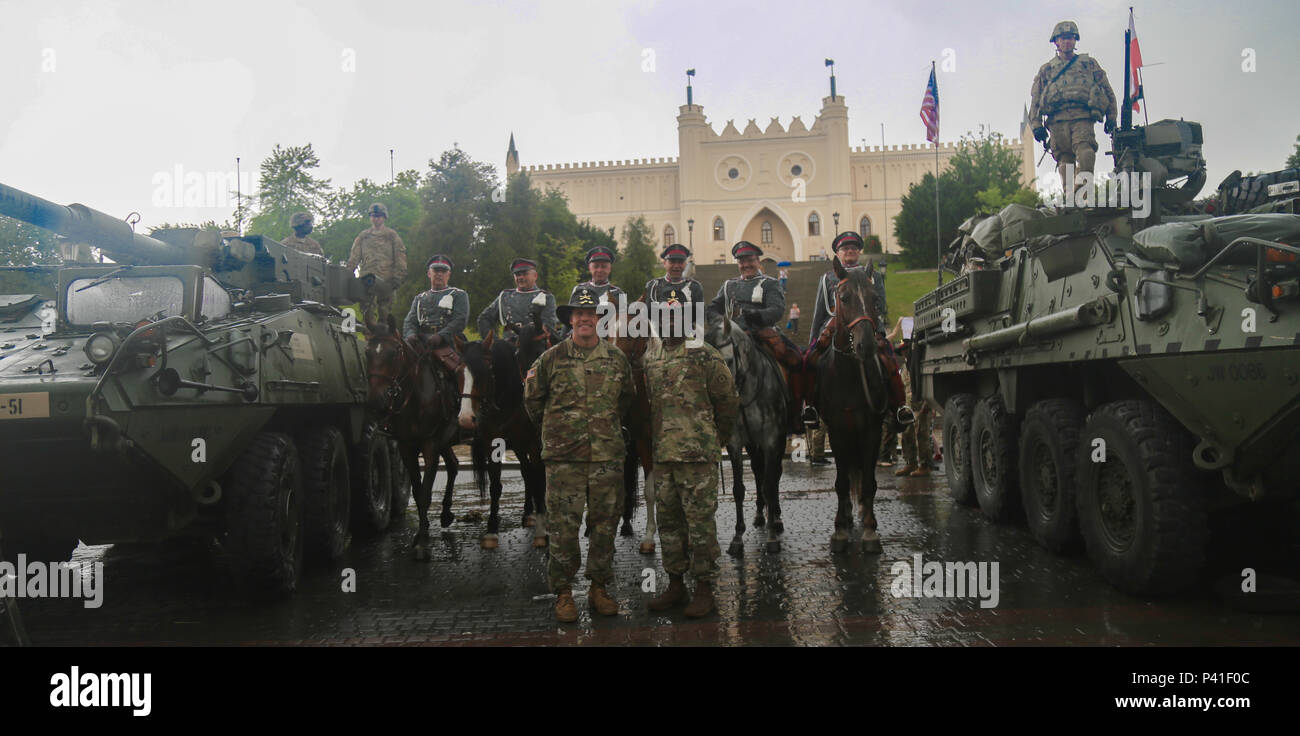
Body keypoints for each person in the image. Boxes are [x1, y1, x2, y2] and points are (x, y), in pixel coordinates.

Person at [523, 286, 634, 622]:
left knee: (604, 526)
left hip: (606, 458)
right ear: (570, 320)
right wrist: (557, 431)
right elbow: (532, 401)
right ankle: (564, 593)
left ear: (599, 319)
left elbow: (626, 399)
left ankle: (599, 588)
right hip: (564, 460)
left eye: (591, 314)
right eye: (579, 315)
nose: (585, 319)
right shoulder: (551, 358)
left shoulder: (616, 358)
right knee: (563, 529)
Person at [644, 303, 739, 617]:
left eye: (677, 316)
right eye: (664, 316)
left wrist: (714, 439)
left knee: (700, 525)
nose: (670, 321)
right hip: (663, 456)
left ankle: (704, 588)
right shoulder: (651, 356)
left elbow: (727, 401)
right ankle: (675, 584)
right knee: (669, 524)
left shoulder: (705, 354)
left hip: (697, 455)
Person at [805, 231, 909, 430]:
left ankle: (899, 407)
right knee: (811, 359)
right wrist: (813, 341)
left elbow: (882, 306)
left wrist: (873, 325)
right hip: (834, 325)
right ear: (838, 252)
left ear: (859, 251)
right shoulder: (827, 278)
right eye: (845, 248)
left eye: (853, 248)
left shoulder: (873, 275)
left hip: (867, 323)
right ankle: (811, 406)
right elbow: (819, 311)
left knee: (888, 358)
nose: (850, 251)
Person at [706, 241, 806, 433]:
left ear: (758, 261)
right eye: (742, 261)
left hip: (762, 334)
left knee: (795, 359)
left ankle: (796, 412)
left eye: (750, 260)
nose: (746, 265)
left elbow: (777, 310)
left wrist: (751, 316)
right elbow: (712, 309)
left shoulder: (770, 283)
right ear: (738, 264)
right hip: (732, 335)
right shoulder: (728, 285)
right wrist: (724, 323)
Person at [1028, 20, 1119, 190]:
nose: (1067, 41)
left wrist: (1111, 116)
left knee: (1086, 153)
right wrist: (1036, 125)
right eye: (1063, 38)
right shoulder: (1047, 70)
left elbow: (1107, 90)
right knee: (1065, 160)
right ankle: (1071, 198)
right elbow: (1036, 99)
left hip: (1082, 118)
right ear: (1056, 41)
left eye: (1070, 38)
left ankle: (1082, 194)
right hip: (1057, 121)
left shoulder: (1089, 64)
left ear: (1075, 40)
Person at [403, 254, 469, 382]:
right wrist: (410, 334)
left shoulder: (458, 295)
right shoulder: (419, 298)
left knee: (461, 375)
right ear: (429, 273)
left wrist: (441, 336)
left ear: (448, 275)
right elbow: (410, 321)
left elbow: (460, 320)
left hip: (448, 344)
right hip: (422, 344)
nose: (439, 274)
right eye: (436, 271)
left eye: (443, 271)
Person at [347, 203, 408, 325]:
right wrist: (347, 274)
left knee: (384, 316)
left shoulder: (391, 235)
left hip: (387, 281)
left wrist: (398, 277)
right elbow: (354, 257)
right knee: (367, 317)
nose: (376, 219)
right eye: (374, 216)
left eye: (379, 216)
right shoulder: (363, 236)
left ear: (384, 217)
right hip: (367, 280)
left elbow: (400, 256)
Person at [476, 257, 560, 340]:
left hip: (535, 344)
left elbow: (548, 326)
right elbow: (484, 319)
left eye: (525, 274)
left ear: (535, 276)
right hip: (509, 344)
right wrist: (494, 342)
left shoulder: (546, 297)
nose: (520, 277)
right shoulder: (505, 296)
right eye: (517, 275)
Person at [568, 245, 625, 340]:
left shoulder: (618, 293)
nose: (599, 270)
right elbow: (571, 317)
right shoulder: (578, 289)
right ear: (589, 268)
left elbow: (623, 324)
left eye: (604, 266)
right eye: (596, 266)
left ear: (610, 269)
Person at [644, 244, 705, 317]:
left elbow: (700, 317)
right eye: (672, 262)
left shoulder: (694, 287)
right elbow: (648, 315)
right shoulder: (654, 286)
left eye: (680, 262)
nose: (676, 266)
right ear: (664, 263)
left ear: (685, 264)